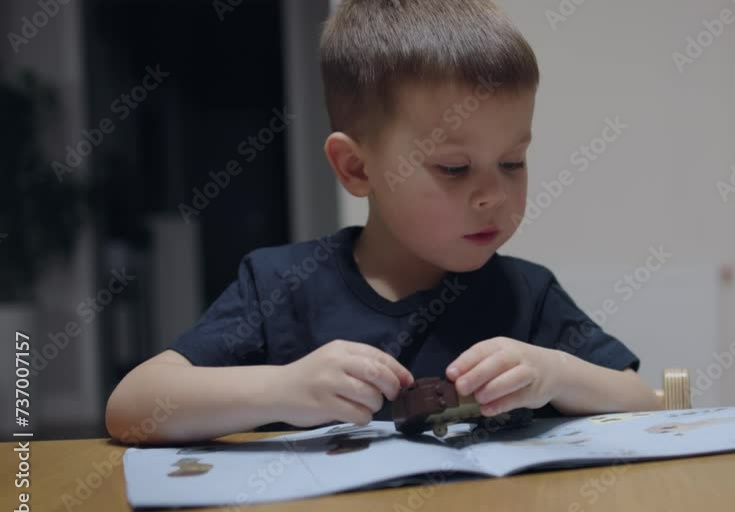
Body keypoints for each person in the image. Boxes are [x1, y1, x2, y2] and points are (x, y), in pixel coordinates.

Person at [105, 0, 660, 445]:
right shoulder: (280, 285)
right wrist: (281, 388)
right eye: (455, 168)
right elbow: (131, 407)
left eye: (513, 161)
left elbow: (647, 404)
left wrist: (556, 374)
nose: (493, 194)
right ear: (356, 167)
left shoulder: (526, 293)